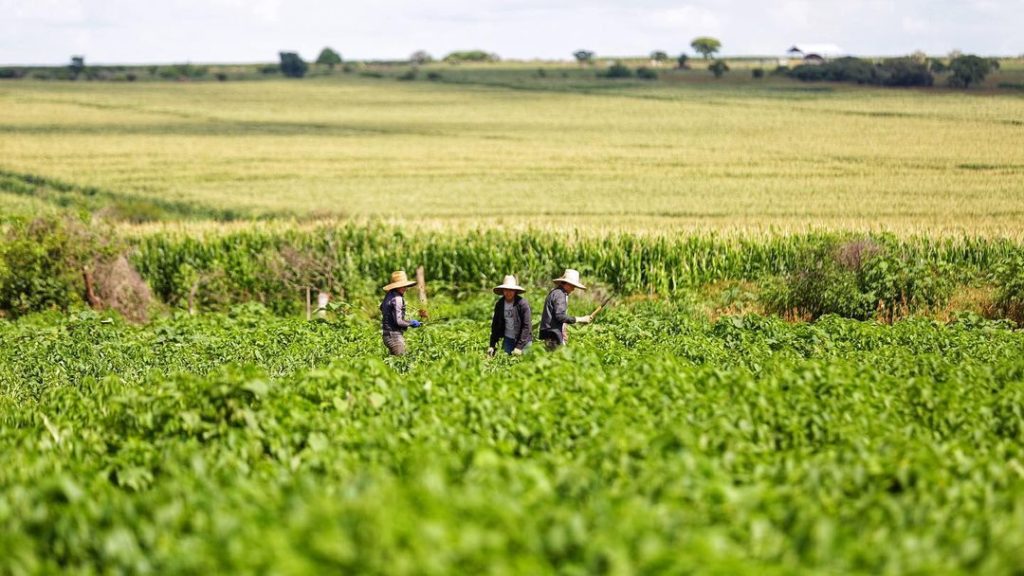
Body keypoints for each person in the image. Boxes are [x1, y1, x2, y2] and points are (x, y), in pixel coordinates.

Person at [539, 269, 593, 350]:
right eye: (573, 286)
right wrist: (581, 319)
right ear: (567, 284)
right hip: (553, 335)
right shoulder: (560, 295)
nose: (573, 289)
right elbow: (560, 316)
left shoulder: (556, 292)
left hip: (551, 334)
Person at [488, 275, 532, 356]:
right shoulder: (500, 304)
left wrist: (519, 346)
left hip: (524, 340)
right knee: (507, 364)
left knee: (526, 365)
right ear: (503, 291)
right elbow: (495, 325)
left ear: (515, 291)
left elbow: (527, 326)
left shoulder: (522, 304)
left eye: (511, 290)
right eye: (506, 290)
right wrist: (492, 345)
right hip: (508, 339)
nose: (508, 292)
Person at [379, 270, 421, 356]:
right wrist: (411, 323)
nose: (405, 288)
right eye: (402, 286)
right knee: (401, 363)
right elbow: (399, 321)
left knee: (396, 363)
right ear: (396, 286)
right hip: (394, 336)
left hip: (387, 335)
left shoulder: (389, 295)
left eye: (405, 286)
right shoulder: (397, 299)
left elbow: (381, 307)